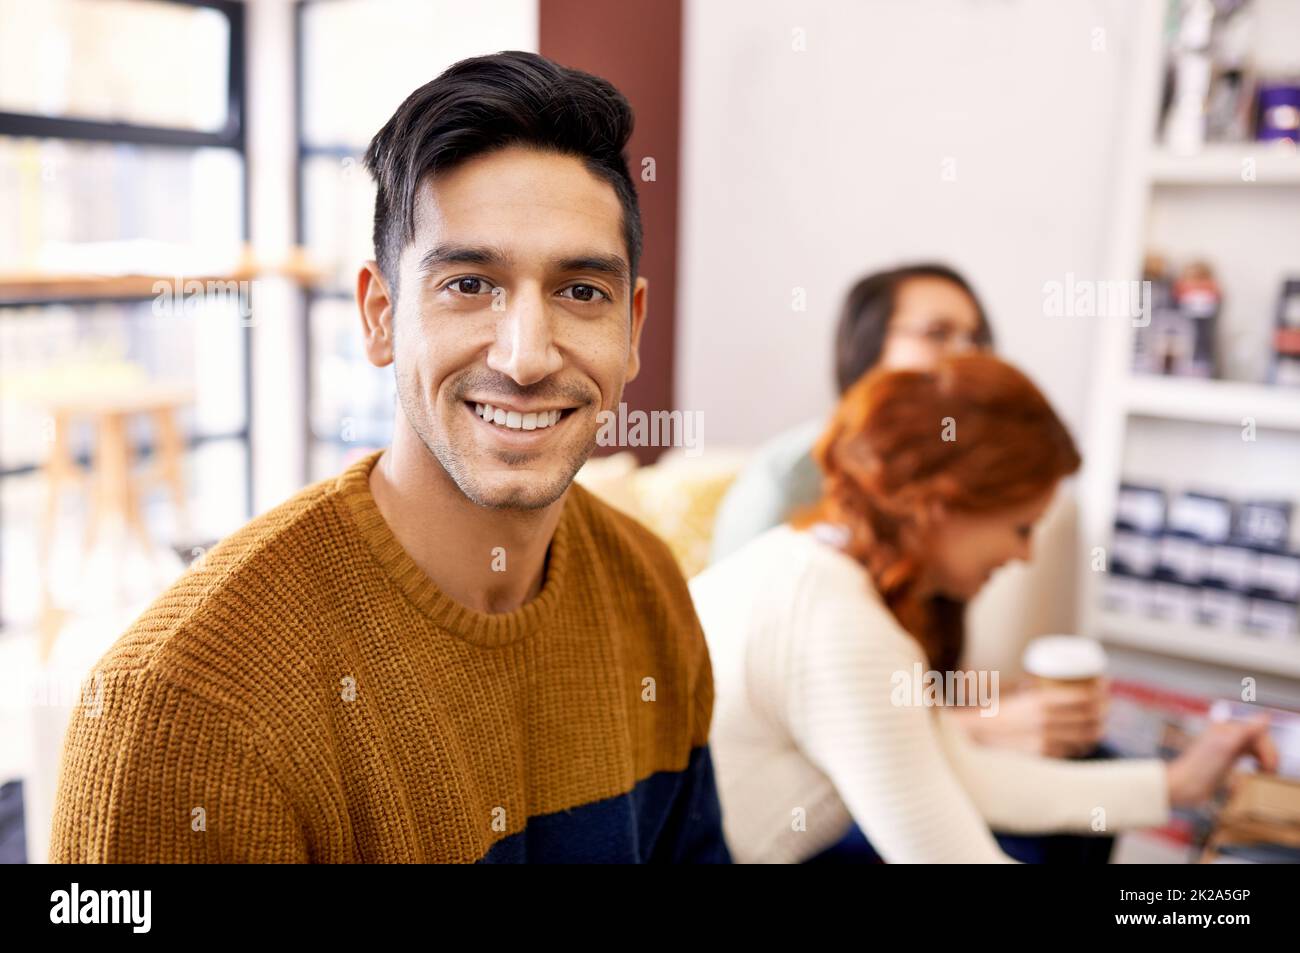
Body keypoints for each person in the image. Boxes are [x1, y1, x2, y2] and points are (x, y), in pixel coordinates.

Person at [50, 51, 730, 863]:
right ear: (379, 315)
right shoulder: (187, 708)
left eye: (580, 290)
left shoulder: (651, 590)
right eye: (469, 283)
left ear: (633, 330)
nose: (525, 357)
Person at [689, 353, 1277, 863]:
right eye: (1021, 528)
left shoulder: (811, 564)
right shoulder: (841, 627)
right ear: (941, 505)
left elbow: (966, 774)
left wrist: (1176, 784)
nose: (1023, 556)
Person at [711, 264, 1108, 772]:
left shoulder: (950, 486)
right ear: (864, 350)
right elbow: (775, 703)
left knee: (1091, 761)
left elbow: (914, 676)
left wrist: (1005, 706)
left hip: (899, 742)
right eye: (939, 333)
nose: (967, 355)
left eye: (978, 339)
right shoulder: (783, 488)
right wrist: (982, 727)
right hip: (812, 775)